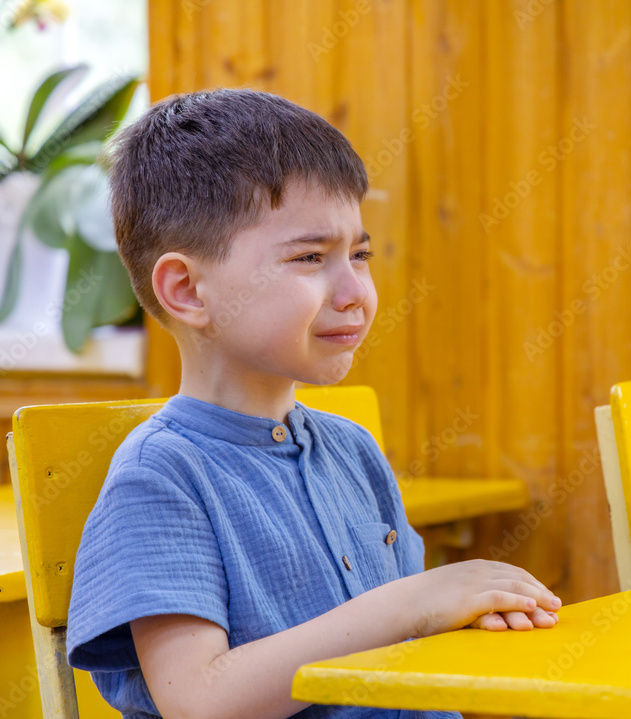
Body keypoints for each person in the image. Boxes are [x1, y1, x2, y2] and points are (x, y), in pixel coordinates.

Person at [65, 88, 561, 719]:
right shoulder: (161, 476)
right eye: (309, 258)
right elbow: (199, 701)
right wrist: (411, 604)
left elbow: (414, 641)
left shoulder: (351, 448)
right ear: (187, 290)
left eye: (359, 255)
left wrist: (471, 612)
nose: (355, 291)